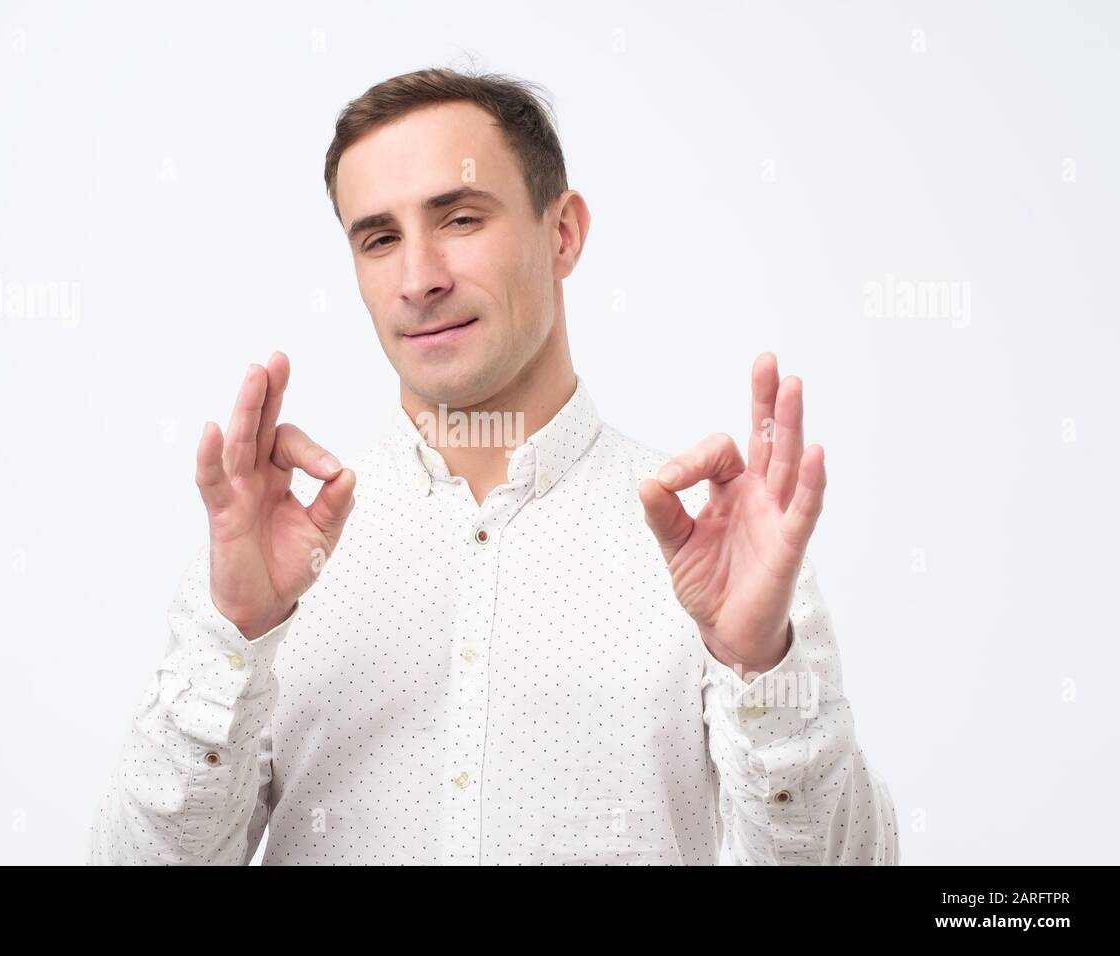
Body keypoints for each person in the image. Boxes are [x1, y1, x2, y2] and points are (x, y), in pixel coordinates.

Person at [88, 67, 898, 865]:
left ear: (564, 233)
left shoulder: (719, 550)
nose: (419, 279)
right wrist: (236, 637)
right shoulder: (273, 560)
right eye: (379, 238)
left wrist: (760, 666)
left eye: (462, 219)